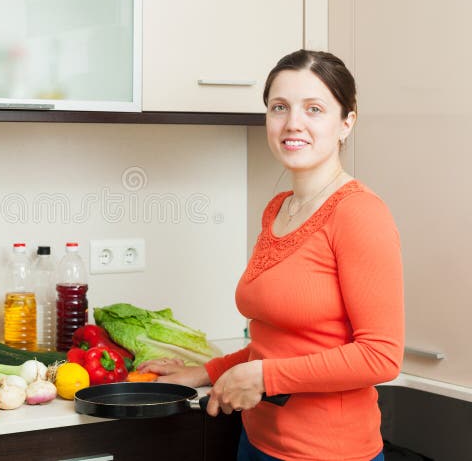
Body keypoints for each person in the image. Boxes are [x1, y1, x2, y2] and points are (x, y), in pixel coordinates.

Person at [138, 49, 404, 461]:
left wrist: (263, 377)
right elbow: (278, 341)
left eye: (314, 108)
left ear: (346, 122)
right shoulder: (279, 208)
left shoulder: (359, 214)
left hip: (329, 453)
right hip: (258, 442)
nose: (292, 123)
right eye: (279, 107)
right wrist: (207, 371)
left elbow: (381, 355)